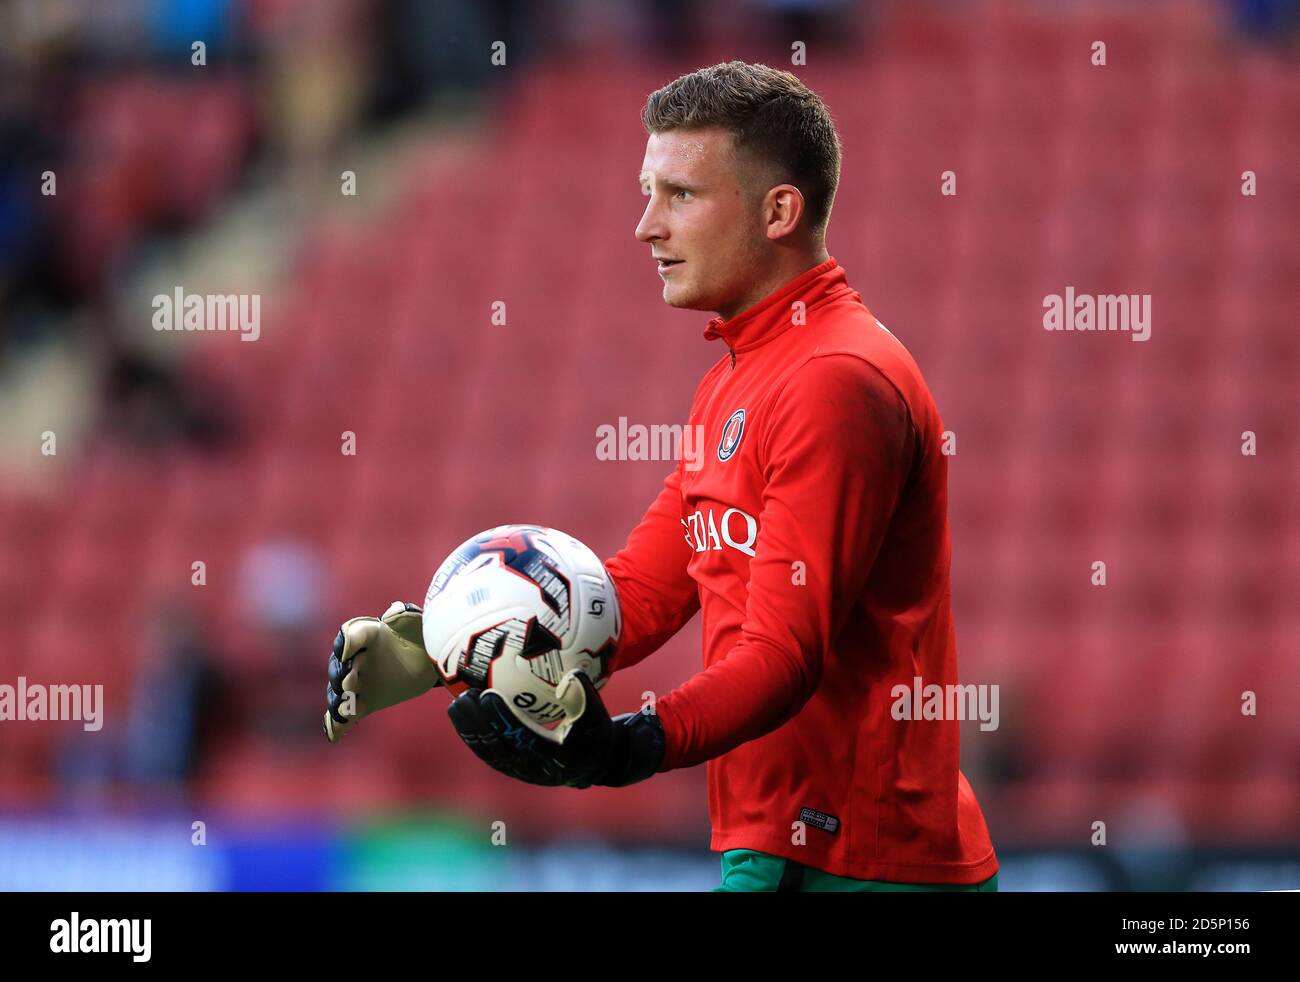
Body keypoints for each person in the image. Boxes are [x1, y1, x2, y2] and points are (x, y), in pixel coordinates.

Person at [326, 61, 998, 892]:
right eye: (648, 192)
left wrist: (634, 745)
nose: (646, 226)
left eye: (679, 195)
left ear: (779, 210)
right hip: (798, 845)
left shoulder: (836, 380)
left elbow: (787, 655)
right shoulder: (737, 377)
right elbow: (638, 591)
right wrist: (446, 649)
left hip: (853, 856)